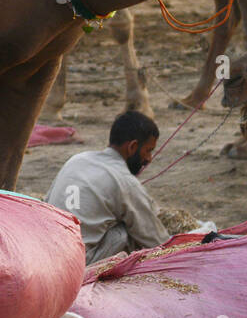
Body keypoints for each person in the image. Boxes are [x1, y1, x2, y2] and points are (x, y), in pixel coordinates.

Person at [45, 110, 170, 263]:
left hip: (46, 251)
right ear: (132, 147)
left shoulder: (77, 159)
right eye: (148, 151)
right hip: (76, 263)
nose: (149, 159)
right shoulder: (124, 181)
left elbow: (46, 202)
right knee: (126, 233)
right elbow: (155, 239)